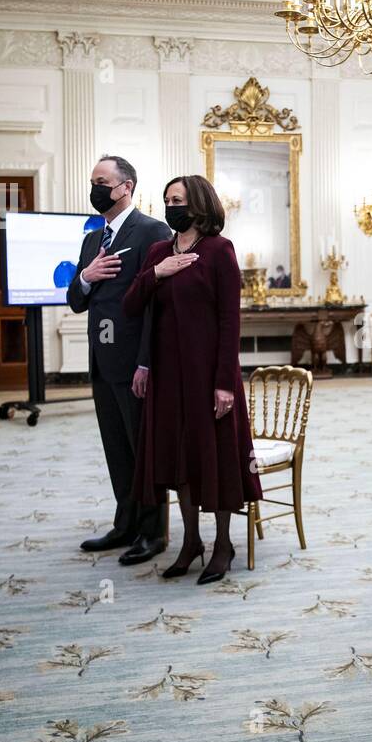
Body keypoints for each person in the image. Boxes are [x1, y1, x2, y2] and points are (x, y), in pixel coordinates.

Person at [123, 175, 262, 584]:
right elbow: (133, 305)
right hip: (168, 376)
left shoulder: (220, 250)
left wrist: (224, 382)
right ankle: (190, 542)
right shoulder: (157, 252)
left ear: (197, 204)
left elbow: (228, 319)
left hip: (209, 376)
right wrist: (158, 273)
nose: (171, 206)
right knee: (179, 459)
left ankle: (222, 544)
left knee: (214, 457)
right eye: (166, 200)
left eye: (177, 200)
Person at [68, 155, 170, 565]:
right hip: (101, 361)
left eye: (102, 181)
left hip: (135, 364)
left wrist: (147, 362)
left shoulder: (153, 232)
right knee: (116, 447)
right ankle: (125, 522)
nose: (95, 188)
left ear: (125, 186)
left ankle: (153, 532)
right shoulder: (92, 240)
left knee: (143, 447)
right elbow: (75, 301)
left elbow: (156, 306)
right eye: (92, 181)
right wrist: (86, 277)